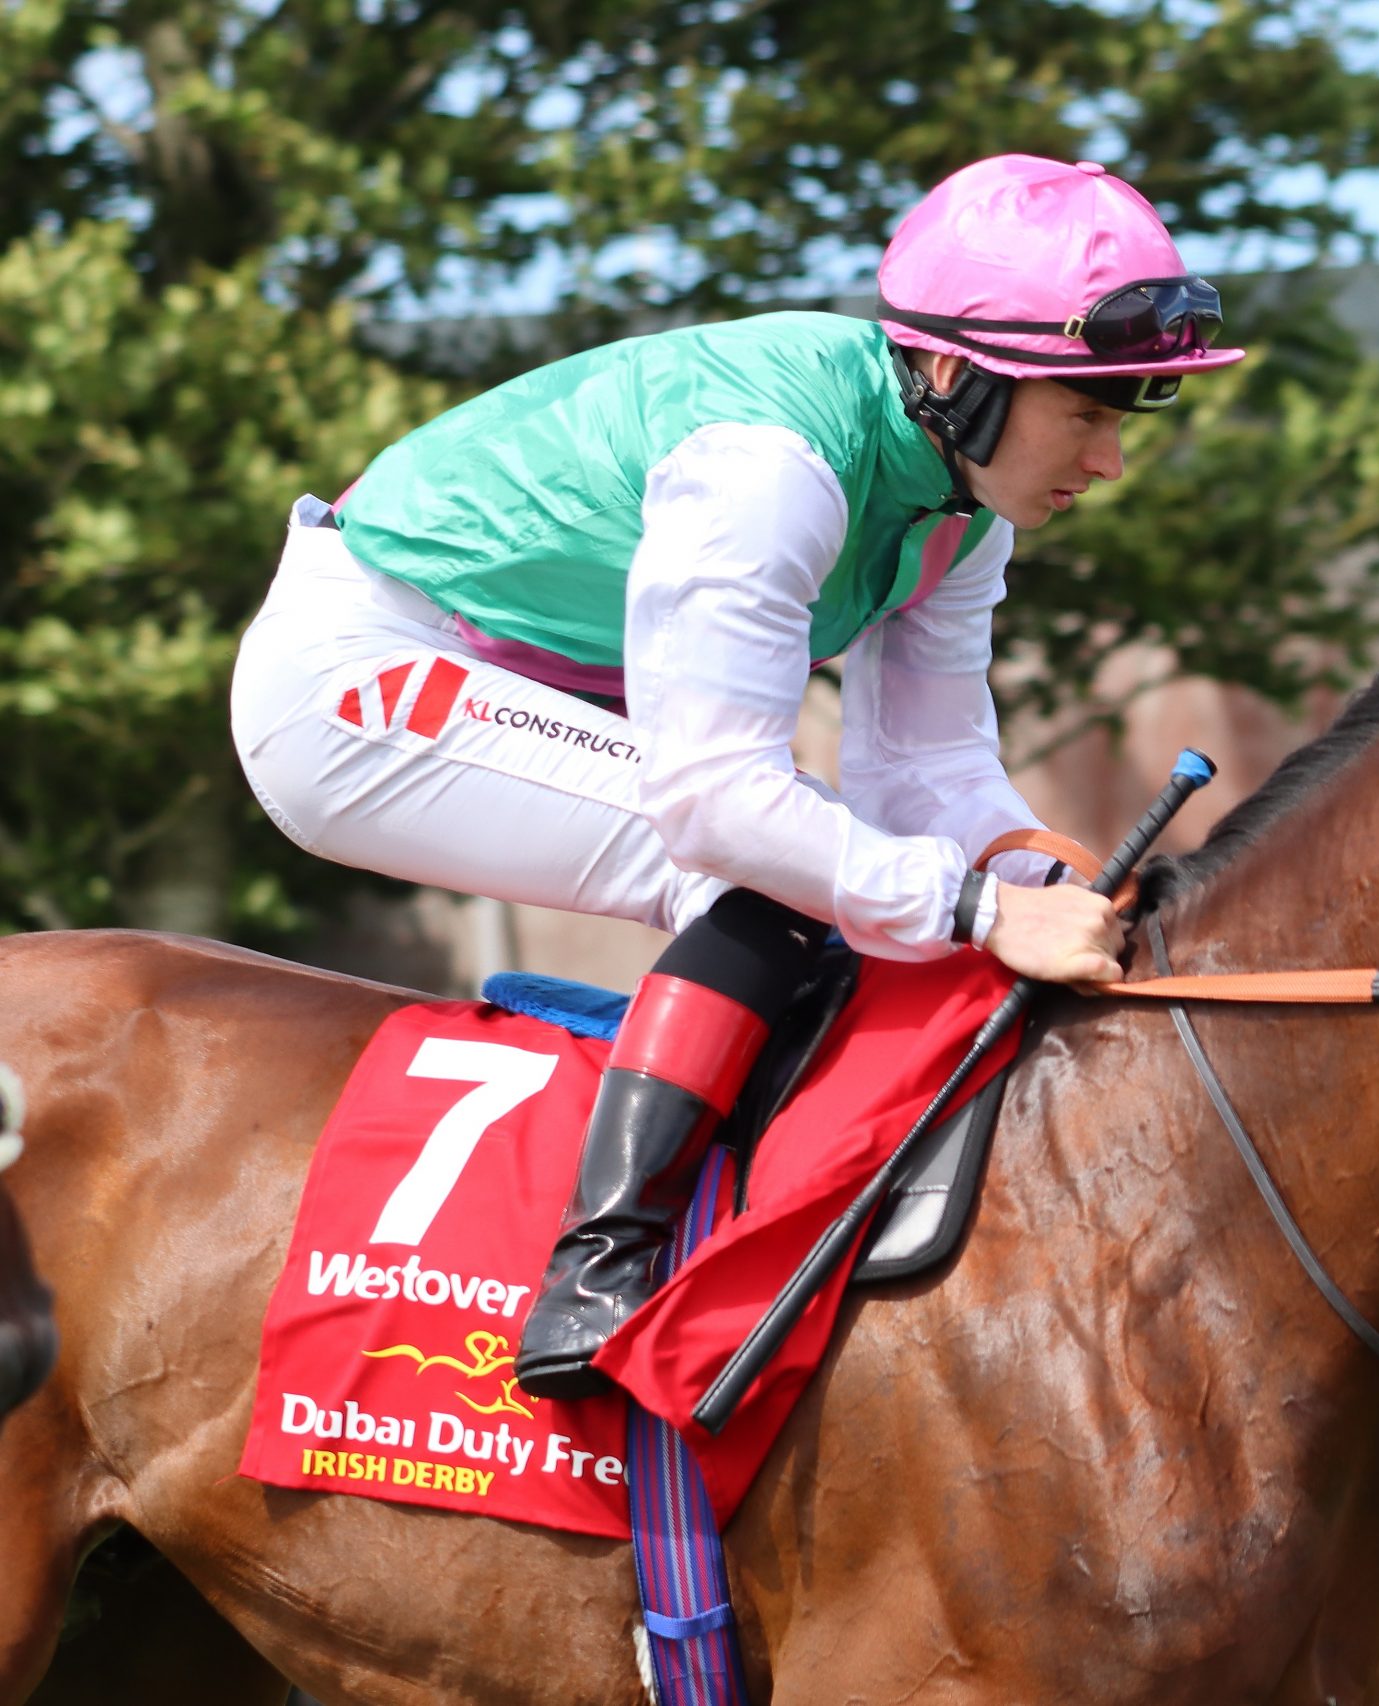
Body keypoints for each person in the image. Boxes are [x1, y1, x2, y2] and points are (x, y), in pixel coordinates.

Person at [230, 154, 1246, 1400]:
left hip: (533, 678)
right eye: (1087, 411)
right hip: (358, 681)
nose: (1110, 458)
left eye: (1122, 415)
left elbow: (925, 764)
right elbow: (714, 801)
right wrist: (984, 910)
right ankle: (597, 1279)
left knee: (857, 881)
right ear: (955, 373)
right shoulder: (772, 464)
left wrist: (1036, 867)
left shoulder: (962, 502)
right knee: (767, 876)